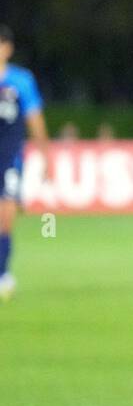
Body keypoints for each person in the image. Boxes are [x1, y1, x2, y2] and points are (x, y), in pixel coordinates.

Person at [0, 25, 51, 301]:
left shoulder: (21, 81)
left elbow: (35, 119)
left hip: (9, 158)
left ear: (8, 49)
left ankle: (2, 273)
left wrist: (47, 156)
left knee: (5, 217)